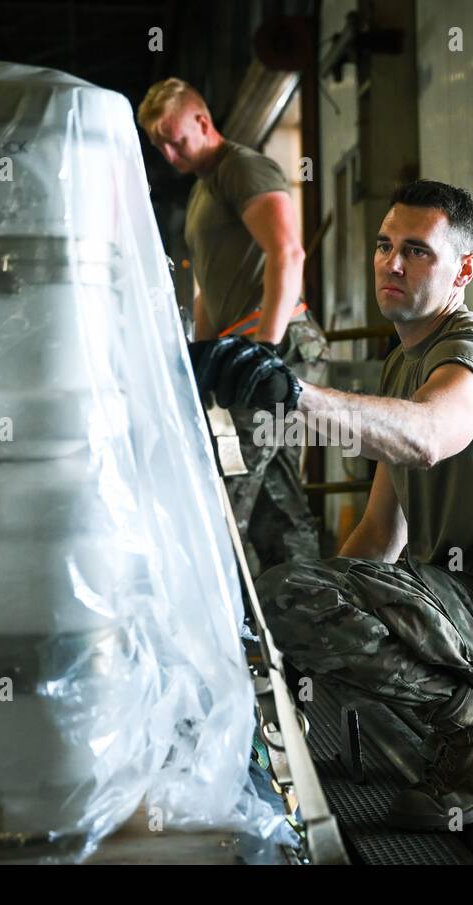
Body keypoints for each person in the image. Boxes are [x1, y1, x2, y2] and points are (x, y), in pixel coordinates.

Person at [187, 179, 473, 831]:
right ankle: (467, 720)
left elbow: (429, 435)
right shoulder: (404, 365)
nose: (391, 264)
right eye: (383, 246)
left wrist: (292, 393)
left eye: (416, 251)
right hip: (461, 611)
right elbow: (379, 533)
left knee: (287, 593)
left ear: (464, 269)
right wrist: (302, 645)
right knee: (285, 601)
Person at [137, 77, 327, 575]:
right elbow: (205, 286)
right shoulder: (203, 190)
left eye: (174, 138)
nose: (168, 152)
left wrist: (264, 347)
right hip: (240, 350)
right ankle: (305, 612)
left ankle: (223, 623)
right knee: (272, 498)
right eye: (158, 143)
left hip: (275, 347)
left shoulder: (241, 167)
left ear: (203, 121)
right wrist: (199, 358)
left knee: (225, 490)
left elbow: (287, 251)